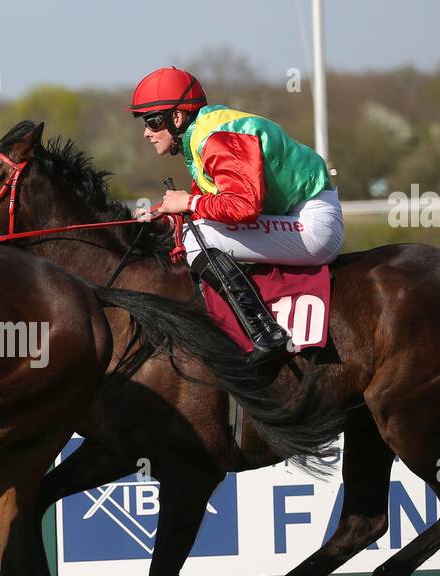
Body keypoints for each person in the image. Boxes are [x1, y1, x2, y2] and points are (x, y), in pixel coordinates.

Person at [129, 66, 343, 363]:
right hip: (297, 213)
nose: (146, 133)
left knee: (196, 236)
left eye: (151, 122)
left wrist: (188, 203)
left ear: (175, 117)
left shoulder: (215, 138)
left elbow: (243, 208)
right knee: (193, 227)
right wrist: (163, 211)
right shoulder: (203, 132)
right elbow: (209, 200)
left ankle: (264, 332)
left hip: (313, 224)